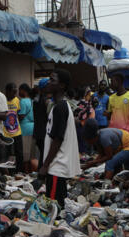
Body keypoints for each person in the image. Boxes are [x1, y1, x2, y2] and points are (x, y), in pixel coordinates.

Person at [39, 69, 80, 205]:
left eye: (52, 80)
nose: (48, 83)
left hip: (57, 166)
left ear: (61, 85)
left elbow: (58, 139)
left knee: (53, 207)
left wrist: (45, 165)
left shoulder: (61, 107)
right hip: (55, 166)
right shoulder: (58, 106)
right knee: (57, 206)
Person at [2, 83, 24, 172]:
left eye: (16, 92)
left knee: (19, 153)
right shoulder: (2, 100)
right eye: (13, 92)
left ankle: (19, 171)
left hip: (17, 131)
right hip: (6, 132)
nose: (15, 94)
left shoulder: (17, 100)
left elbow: (18, 113)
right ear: (7, 91)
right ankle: (9, 173)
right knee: (7, 153)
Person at [18, 84, 35, 172]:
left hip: (25, 129)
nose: (18, 93)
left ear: (24, 91)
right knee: (31, 154)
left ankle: (26, 172)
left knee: (25, 154)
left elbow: (21, 116)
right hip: (33, 128)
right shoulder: (32, 100)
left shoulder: (23, 101)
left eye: (19, 90)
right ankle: (31, 172)